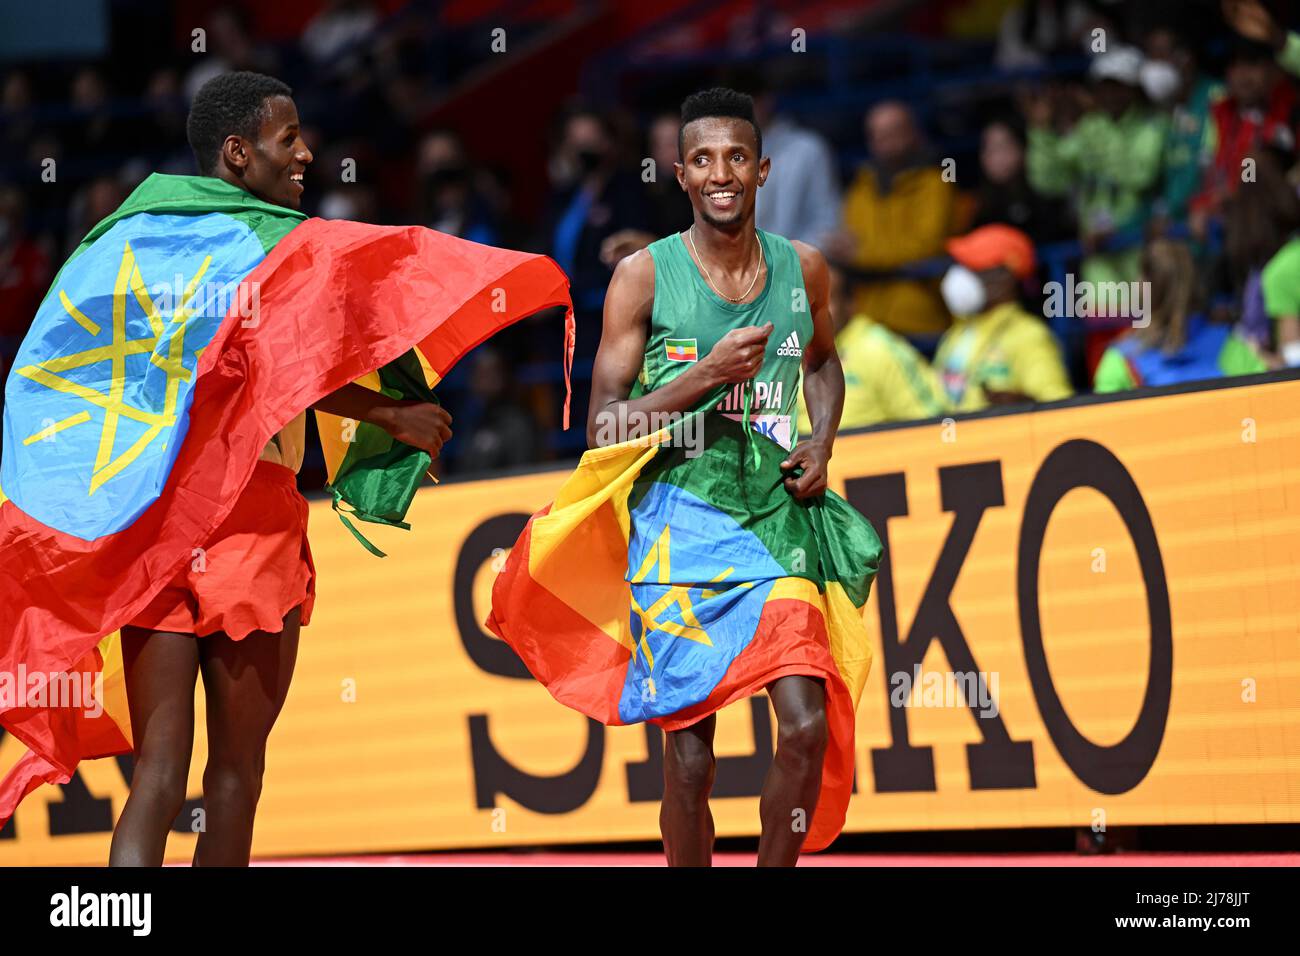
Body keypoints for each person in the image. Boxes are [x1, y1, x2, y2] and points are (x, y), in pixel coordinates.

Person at [490, 88, 882, 866]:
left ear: (763, 169)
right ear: (680, 173)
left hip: (777, 515)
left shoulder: (803, 268)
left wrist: (824, 439)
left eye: (736, 157)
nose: (721, 173)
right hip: (678, 521)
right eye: (703, 159)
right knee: (692, 761)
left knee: (806, 725)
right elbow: (603, 426)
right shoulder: (643, 276)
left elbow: (824, 360)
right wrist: (701, 378)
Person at [107, 72, 453, 866]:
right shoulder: (278, 245)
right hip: (247, 511)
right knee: (234, 774)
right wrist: (389, 413)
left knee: (155, 776)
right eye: (287, 139)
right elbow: (279, 368)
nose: (306, 152)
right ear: (237, 152)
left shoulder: (143, 238)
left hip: (151, 512)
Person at [837, 101, 956, 336]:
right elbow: (850, 241)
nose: (883, 142)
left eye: (892, 132)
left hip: (919, 313)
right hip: (865, 316)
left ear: (912, 133)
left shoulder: (937, 182)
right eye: (876, 134)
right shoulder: (861, 186)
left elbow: (927, 246)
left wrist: (863, 255)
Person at [933, 224, 1073, 410]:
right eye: (961, 266)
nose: (960, 277)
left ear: (1004, 279)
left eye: (973, 268)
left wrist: (1022, 405)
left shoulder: (1028, 335)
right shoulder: (955, 334)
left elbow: (1060, 408)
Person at [1095, 238, 1267, 390]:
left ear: (1142, 287)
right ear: (1196, 285)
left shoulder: (1120, 362)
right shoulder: (1233, 347)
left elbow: (1105, 423)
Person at [797, 264, 947, 431]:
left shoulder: (876, 348)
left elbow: (927, 424)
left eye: (825, 298)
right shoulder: (787, 350)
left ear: (850, 304)